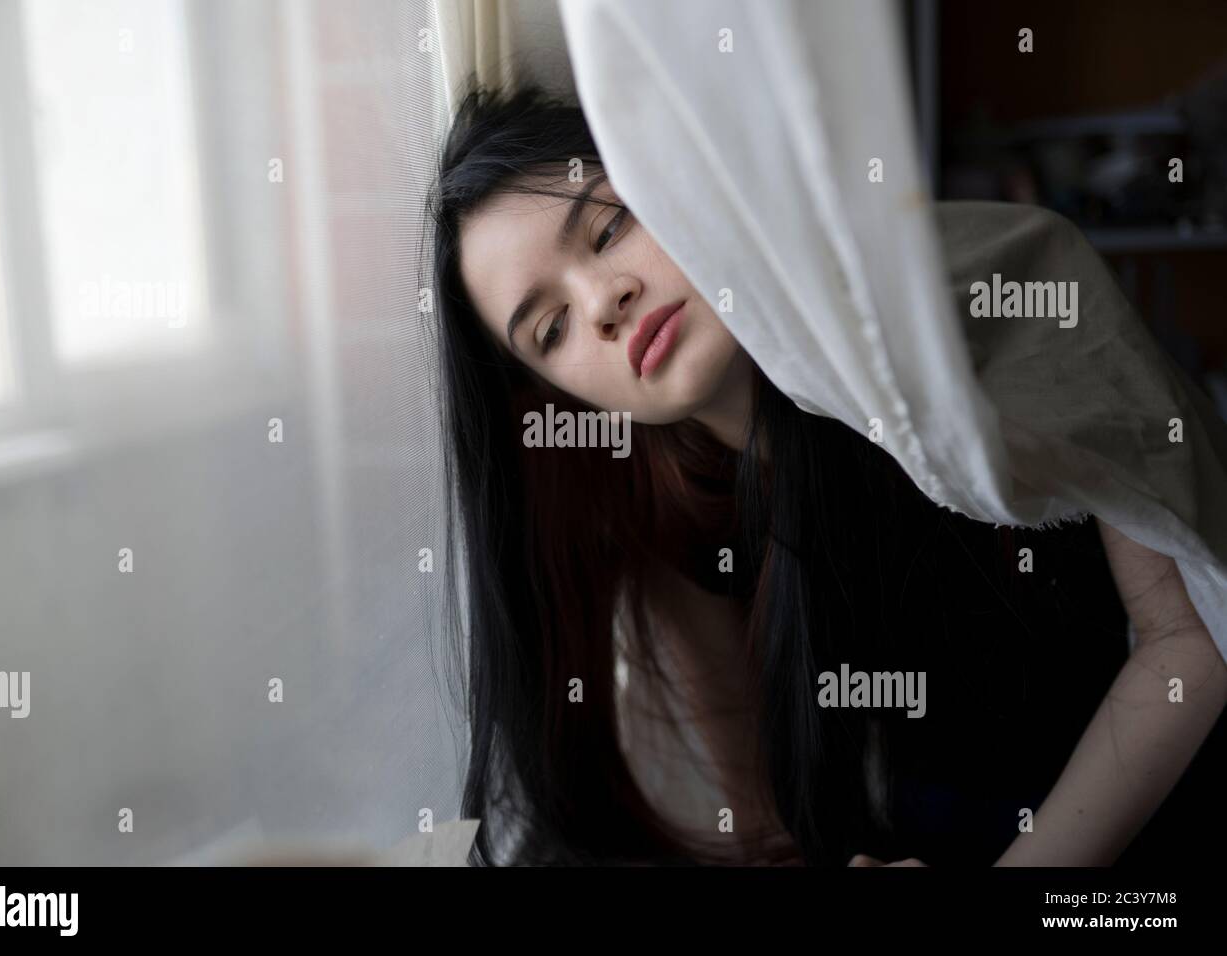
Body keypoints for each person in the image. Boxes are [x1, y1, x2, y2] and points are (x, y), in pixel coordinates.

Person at [425, 83, 1227, 866]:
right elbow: (767, 821)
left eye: (609, 229)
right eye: (553, 327)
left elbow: (1187, 639)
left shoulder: (983, 304)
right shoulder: (671, 515)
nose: (604, 303)